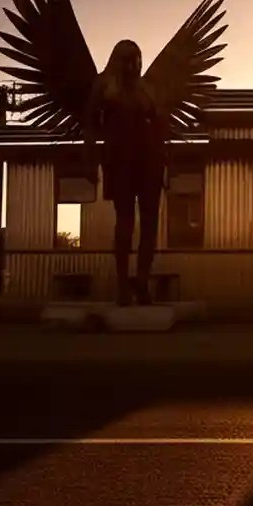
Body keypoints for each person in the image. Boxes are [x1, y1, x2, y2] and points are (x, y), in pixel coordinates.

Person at [82, 40, 170, 306]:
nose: (135, 65)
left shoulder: (148, 90)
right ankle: (123, 286)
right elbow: (88, 125)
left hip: (149, 161)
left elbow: (159, 127)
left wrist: (166, 159)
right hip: (119, 159)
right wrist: (89, 160)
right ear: (118, 60)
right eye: (129, 60)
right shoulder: (104, 85)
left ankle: (142, 283)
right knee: (125, 221)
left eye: (138, 60)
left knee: (150, 223)